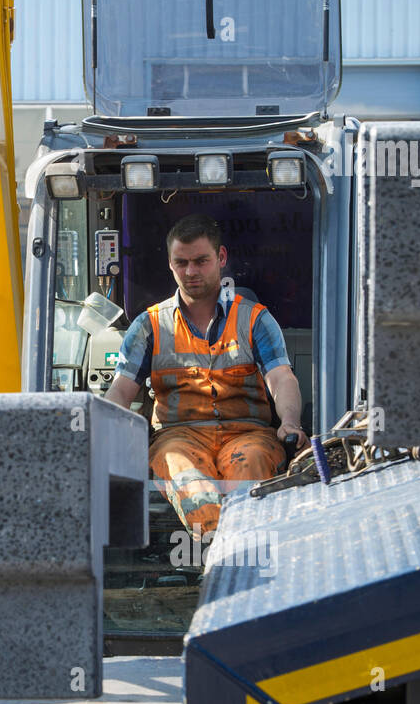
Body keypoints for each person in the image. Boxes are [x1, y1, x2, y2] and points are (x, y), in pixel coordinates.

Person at [103, 214, 306, 539]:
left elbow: (281, 378)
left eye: (201, 261)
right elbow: (120, 392)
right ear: (170, 264)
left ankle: (236, 552)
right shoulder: (148, 326)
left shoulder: (255, 319)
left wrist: (290, 422)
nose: (191, 272)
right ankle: (228, 550)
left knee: (250, 464)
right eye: (181, 262)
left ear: (221, 258)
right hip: (178, 436)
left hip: (248, 434)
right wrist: (102, 433)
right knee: (183, 473)